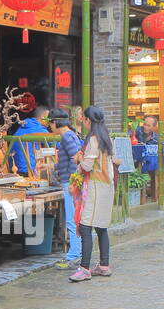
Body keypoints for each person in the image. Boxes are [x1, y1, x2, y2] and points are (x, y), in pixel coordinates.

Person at [69, 106, 116, 282]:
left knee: (86, 226)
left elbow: (88, 166)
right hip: (107, 186)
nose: (83, 121)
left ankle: (84, 268)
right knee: (101, 227)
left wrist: (79, 159)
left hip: (96, 186)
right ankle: (104, 266)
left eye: (84, 118)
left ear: (89, 120)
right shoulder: (106, 137)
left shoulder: (94, 139)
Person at [48, 107, 85, 268]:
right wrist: (53, 167)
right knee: (75, 217)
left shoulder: (67, 137)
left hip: (70, 182)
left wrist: (72, 182)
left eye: (50, 123)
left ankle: (74, 255)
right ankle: (78, 252)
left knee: (72, 218)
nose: (49, 127)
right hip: (71, 181)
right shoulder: (70, 135)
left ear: (55, 122)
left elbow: (76, 157)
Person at [10, 104, 50, 175]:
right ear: (42, 117)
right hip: (28, 169)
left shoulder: (23, 126)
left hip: (13, 168)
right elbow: (58, 144)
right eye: (49, 117)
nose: (50, 120)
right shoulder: (39, 129)